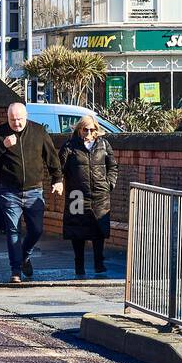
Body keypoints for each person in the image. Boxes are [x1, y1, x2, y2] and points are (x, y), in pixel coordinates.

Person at [0, 100, 64, 284]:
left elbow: (51, 156)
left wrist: (57, 179)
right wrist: (3, 145)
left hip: (34, 189)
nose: (16, 123)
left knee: (36, 230)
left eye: (19, 119)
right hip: (8, 190)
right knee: (13, 230)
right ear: (7, 118)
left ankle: (25, 254)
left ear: (26, 117)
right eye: (12, 120)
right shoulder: (0, 132)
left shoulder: (38, 131)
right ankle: (15, 270)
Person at [61, 118, 119, 278]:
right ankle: (79, 265)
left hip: (100, 194)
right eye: (85, 130)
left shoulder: (104, 145)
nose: (89, 133)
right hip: (77, 195)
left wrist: (110, 184)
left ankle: (99, 263)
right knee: (76, 229)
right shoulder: (70, 146)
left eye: (92, 130)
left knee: (98, 229)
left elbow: (112, 166)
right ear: (79, 130)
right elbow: (60, 168)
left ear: (96, 130)